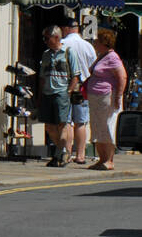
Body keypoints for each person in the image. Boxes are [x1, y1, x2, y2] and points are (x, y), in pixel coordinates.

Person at [38, 26, 86, 168]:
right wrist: (40, 95)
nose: (45, 41)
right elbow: (42, 76)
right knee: (49, 127)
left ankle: (59, 154)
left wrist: (69, 91)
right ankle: (63, 152)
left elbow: (76, 75)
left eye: (47, 38)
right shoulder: (46, 54)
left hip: (61, 93)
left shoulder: (68, 52)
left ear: (57, 38)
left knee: (62, 124)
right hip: (47, 93)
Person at [84, 28, 128, 171]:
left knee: (107, 127)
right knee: (97, 127)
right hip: (96, 97)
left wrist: (118, 96)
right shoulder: (101, 55)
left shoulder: (112, 57)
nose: (94, 42)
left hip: (107, 97)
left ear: (104, 42)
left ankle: (109, 160)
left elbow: (122, 77)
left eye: (97, 40)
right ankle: (101, 159)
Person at [60, 15, 98, 164]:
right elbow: (94, 67)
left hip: (66, 87)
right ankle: (81, 155)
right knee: (81, 122)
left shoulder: (62, 43)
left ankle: (67, 153)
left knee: (68, 121)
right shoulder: (87, 45)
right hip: (82, 87)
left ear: (66, 29)